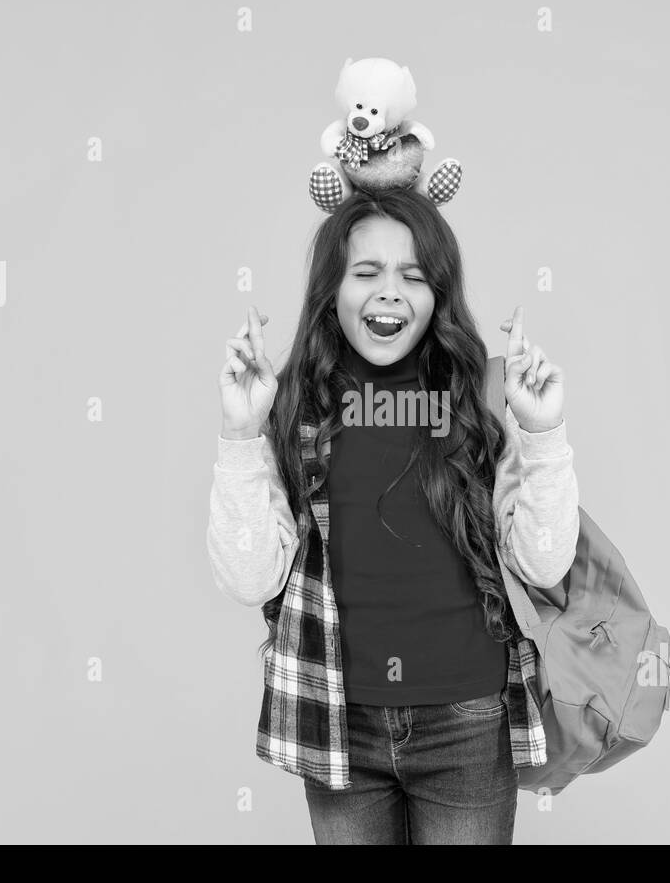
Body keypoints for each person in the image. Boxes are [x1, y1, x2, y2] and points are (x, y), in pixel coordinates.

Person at [207, 188, 579, 844]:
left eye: (413, 275)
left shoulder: (479, 401)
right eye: (366, 272)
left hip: (466, 721)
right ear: (331, 290)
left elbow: (544, 561)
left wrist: (542, 432)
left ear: (438, 295)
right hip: (338, 721)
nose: (389, 292)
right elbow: (250, 578)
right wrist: (242, 434)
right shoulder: (298, 406)